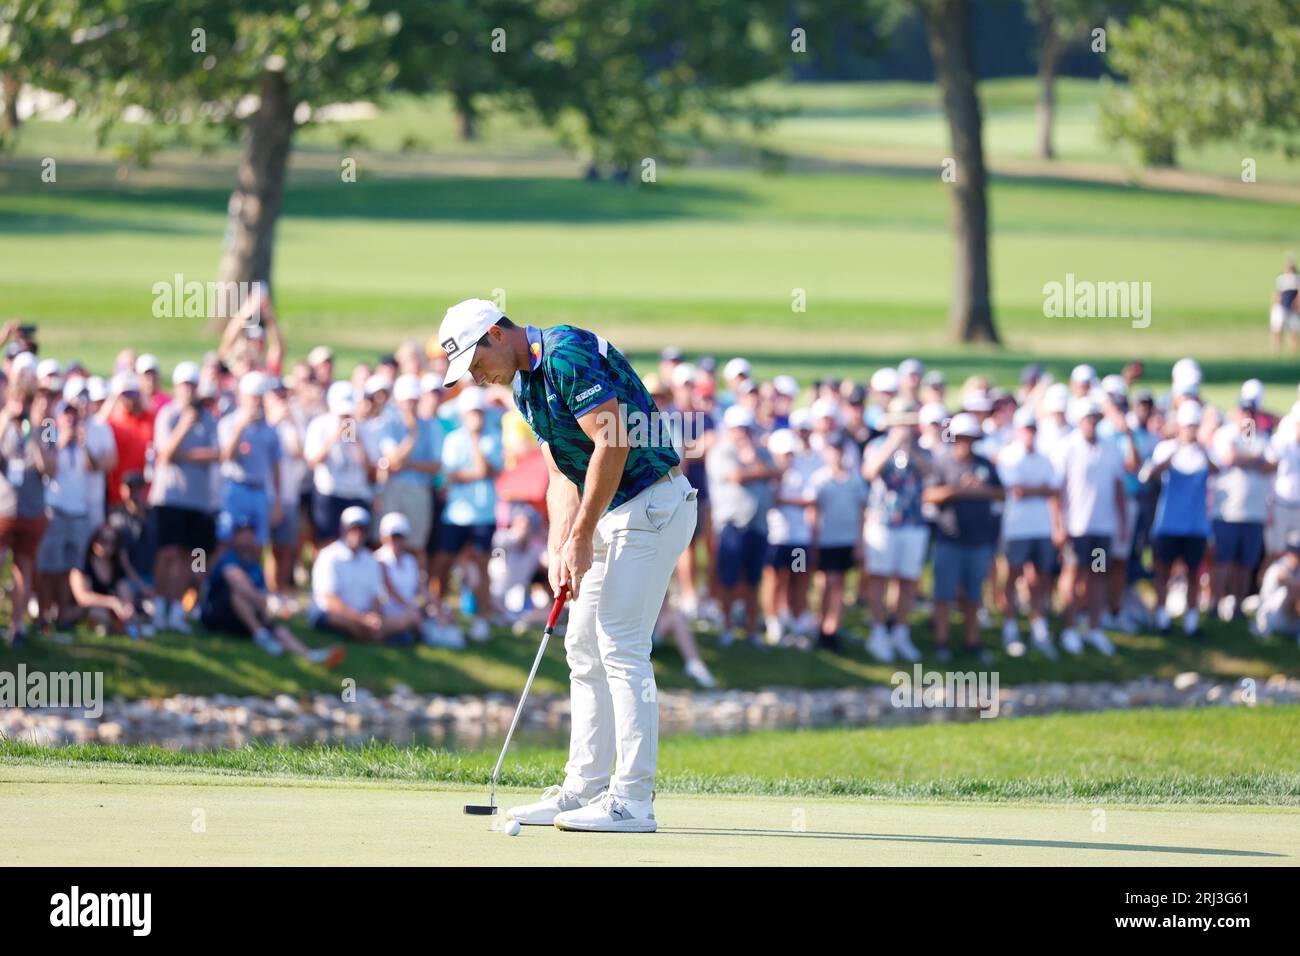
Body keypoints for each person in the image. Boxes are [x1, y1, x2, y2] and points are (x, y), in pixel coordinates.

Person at [437, 299, 695, 833]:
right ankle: (584, 788)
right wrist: (561, 541)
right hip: (613, 512)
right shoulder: (524, 386)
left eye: (474, 362)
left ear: (495, 334)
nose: (475, 377)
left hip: (653, 503)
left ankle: (632, 801)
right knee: (582, 646)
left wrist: (582, 535)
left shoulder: (565, 353)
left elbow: (614, 440)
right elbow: (560, 472)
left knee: (620, 643)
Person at [202, 517, 344, 666]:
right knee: (237, 593)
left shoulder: (255, 565)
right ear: (234, 537)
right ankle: (261, 636)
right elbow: (237, 581)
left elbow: (262, 595)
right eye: (242, 533)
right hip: (215, 615)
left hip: (244, 615)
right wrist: (261, 603)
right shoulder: (228, 558)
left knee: (279, 629)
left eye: (249, 533)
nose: (246, 537)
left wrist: (264, 614)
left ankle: (311, 656)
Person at [923, 413, 1004, 663]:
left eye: (971, 438)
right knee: (944, 594)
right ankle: (941, 641)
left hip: (978, 539)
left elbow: (1001, 493)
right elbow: (929, 495)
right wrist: (957, 490)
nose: (966, 443)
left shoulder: (984, 464)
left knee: (972, 595)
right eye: (962, 438)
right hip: (950, 538)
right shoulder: (943, 463)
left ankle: (972, 641)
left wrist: (978, 490)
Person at [149, 362, 219, 633]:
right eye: (184, 385)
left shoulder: (209, 418)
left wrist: (185, 456)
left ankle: (177, 609)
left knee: (190, 557)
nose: (189, 391)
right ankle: (158, 606)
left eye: (192, 385)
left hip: (197, 500)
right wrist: (185, 427)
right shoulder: (168, 415)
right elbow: (165, 454)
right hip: (170, 497)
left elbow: (216, 454)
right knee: (167, 554)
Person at [1052, 401, 1125, 655]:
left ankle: (1094, 627)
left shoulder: (1110, 449)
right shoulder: (1067, 448)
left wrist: (1122, 522)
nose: (1091, 423)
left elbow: (1118, 488)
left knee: (1097, 577)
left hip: (1101, 527)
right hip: (1076, 528)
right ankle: (1069, 627)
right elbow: (1056, 491)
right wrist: (1059, 525)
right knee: (1073, 575)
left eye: (1094, 419)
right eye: (1087, 418)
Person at [431, 386, 502, 642]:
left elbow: (486, 470)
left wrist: (474, 443)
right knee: (442, 563)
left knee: (482, 568)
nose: (476, 418)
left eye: (479, 413)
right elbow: (452, 475)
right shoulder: (454, 439)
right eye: (472, 413)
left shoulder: (492, 437)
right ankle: (437, 612)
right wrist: (475, 472)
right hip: (456, 515)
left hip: (483, 515)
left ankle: (482, 618)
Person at [862, 398, 931, 662]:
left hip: (913, 523)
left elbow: (930, 472)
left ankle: (900, 630)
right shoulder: (877, 445)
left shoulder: (921, 449)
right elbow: (869, 472)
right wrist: (892, 445)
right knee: (879, 578)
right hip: (883, 522)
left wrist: (910, 451)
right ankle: (878, 631)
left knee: (908, 580)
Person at [706, 404, 778, 648]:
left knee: (754, 580)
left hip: (758, 524)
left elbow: (775, 472)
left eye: (746, 428)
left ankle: (751, 629)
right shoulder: (721, 452)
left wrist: (753, 460)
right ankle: (726, 626)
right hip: (732, 522)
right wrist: (758, 469)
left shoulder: (760, 452)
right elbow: (736, 476)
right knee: (728, 578)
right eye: (739, 428)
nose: (743, 433)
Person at [1142, 401, 1216, 636]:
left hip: (1195, 525)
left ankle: (1191, 622)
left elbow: (1218, 471)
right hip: (1169, 523)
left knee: (1194, 573)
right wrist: (1173, 453)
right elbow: (1148, 475)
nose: (1191, 431)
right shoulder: (1166, 448)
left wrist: (1201, 450)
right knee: (1163, 571)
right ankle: (1162, 618)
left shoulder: (1204, 452)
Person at [996, 408, 1061, 658]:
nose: (1029, 434)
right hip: (1016, 527)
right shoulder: (1009, 456)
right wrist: (1040, 490)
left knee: (1040, 578)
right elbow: (1017, 491)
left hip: (1042, 527)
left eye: (1032, 429)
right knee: (1012, 576)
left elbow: (1052, 492)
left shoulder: (1044, 459)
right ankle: (1009, 626)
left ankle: (1038, 627)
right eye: (1025, 429)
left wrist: (1035, 491)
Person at [308, 506, 417, 644]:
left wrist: (374, 615)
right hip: (332, 615)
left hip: (364, 616)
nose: (358, 533)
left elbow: (376, 597)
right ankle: (377, 636)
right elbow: (329, 601)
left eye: (362, 529)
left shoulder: (370, 559)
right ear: (344, 529)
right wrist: (361, 618)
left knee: (405, 619)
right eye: (353, 528)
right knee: (348, 622)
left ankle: (370, 635)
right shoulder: (329, 556)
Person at [1210, 398, 1275, 621]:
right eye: (1244, 411)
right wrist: (1255, 459)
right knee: (1223, 561)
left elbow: (1271, 465)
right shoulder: (1226, 434)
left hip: (1255, 513)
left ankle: (1237, 608)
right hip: (1227, 512)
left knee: (1245, 564)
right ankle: (1214, 605)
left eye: (1251, 412)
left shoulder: (1262, 438)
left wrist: (1247, 458)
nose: (1248, 416)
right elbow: (1229, 457)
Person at [810, 436, 867, 653]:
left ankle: (831, 628)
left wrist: (859, 542)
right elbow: (813, 512)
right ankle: (822, 626)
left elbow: (862, 512)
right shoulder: (819, 479)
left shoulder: (854, 480)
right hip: (825, 539)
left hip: (846, 539)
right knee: (825, 584)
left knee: (837, 585)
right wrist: (813, 541)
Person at [376, 510, 463, 648]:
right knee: (416, 620)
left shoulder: (410, 561)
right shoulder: (379, 560)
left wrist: (439, 608)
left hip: (409, 610)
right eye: (394, 536)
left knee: (444, 614)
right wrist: (412, 609)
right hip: (388, 613)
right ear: (384, 537)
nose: (397, 541)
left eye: (400, 536)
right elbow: (389, 589)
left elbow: (421, 588)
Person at [763, 428, 816, 647]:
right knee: (774, 579)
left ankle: (796, 619)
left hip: (798, 538)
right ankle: (772, 620)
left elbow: (810, 500)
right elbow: (771, 499)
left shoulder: (803, 470)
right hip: (775, 537)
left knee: (798, 578)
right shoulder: (769, 473)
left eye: (789, 454)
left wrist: (783, 499)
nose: (787, 458)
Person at [217, 371, 282, 548]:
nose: (257, 403)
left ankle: (253, 575)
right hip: (235, 487)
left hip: (260, 490)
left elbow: (275, 466)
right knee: (227, 539)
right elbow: (226, 456)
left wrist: (277, 501)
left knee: (258, 543)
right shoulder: (229, 423)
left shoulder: (270, 429)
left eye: (260, 398)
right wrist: (240, 428)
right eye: (253, 398)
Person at [304, 380, 374, 544]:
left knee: (356, 544)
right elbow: (313, 461)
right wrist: (334, 437)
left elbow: (371, 469)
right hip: (329, 492)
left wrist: (358, 441)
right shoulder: (319, 425)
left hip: (356, 493)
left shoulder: (364, 428)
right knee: (326, 543)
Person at [68, 524, 146, 637]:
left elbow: (125, 593)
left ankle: (115, 628)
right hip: (80, 611)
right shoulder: (83, 565)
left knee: (129, 614)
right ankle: (109, 627)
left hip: (108, 611)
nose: (108, 546)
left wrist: (127, 608)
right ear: (94, 540)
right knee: (98, 613)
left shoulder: (115, 567)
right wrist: (112, 602)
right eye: (103, 541)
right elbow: (83, 598)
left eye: (113, 542)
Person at [1252, 533, 1300, 639]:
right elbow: (1283, 578)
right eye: (1294, 551)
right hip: (1270, 618)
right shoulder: (1278, 567)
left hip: (1290, 621)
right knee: (1293, 593)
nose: (1296, 555)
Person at [1270, 255, 1299, 356]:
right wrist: (1276, 302)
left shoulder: (1297, 279)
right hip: (1282, 307)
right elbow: (1277, 293)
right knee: (1278, 330)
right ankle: (1276, 351)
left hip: (1293, 309)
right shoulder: (1281, 278)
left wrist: (1297, 303)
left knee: (1294, 331)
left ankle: (1293, 352)